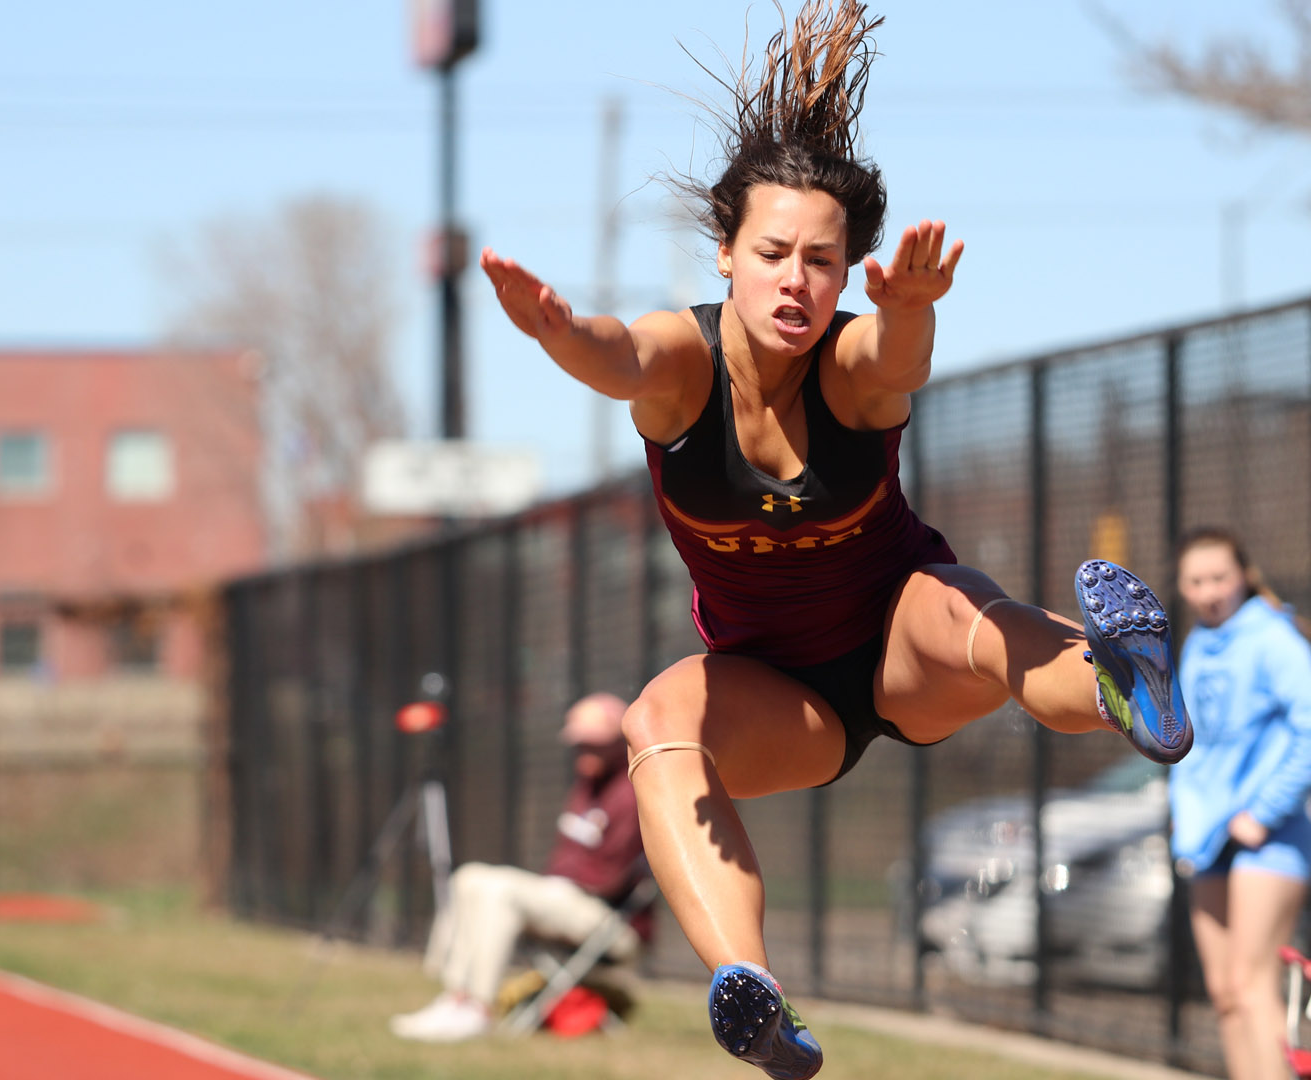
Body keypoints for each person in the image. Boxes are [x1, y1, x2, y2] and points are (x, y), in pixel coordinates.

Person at [478, 3, 1189, 1075]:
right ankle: (752, 993)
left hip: (903, 646)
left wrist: (907, 309)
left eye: (822, 259)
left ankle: (1121, 684)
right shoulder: (684, 363)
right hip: (781, 694)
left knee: (972, 614)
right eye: (772, 253)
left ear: (848, 269)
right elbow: (617, 354)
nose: (796, 280)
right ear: (725, 254)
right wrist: (557, 332)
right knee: (656, 722)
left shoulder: (854, 364)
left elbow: (896, 364)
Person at [1169, 527, 1311, 1080]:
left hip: (1269, 838)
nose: (1210, 590)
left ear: (1243, 574)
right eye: (1196, 580)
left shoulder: (1273, 637)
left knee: (1252, 985)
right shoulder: (1196, 642)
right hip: (1208, 838)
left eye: (1220, 577)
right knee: (1224, 995)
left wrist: (1263, 811)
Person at [390, 693, 648, 1043]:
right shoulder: (588, 785)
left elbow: (610, 877)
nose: (583, 753)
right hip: (567, 898)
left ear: (620, 743)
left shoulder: (633, 790)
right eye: (579, 745)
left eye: (594, 745)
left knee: (501, 890)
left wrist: (557, 887)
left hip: (611, 922)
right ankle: (456, 997)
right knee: (469, 877)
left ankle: (479, 1008)